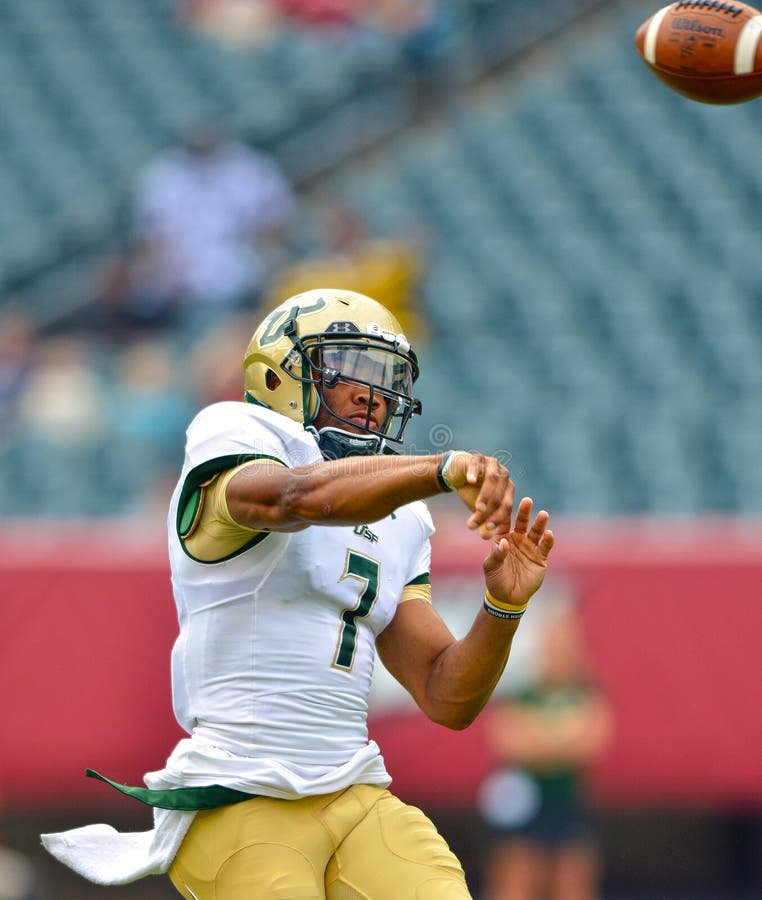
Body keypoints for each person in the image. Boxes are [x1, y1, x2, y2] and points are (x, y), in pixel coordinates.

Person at [42, 288, 555, 898]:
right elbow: (292, 498)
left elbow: (448, 696)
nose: (372, 393)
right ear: (283, 374)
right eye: (351, 370)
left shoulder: (404, 516)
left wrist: (503, 606)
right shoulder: (234, 428)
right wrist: (440, 467)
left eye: (386, 376)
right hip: (239, 790)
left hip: (353, 792)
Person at [477, 601, 613, 900]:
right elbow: (510, 741)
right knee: (514, 882)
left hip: (568, 804)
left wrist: (539, 737)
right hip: (522, 805)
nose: (557, 652)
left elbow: (592, 741)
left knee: (572, 882)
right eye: (551, 643)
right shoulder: (520, 692)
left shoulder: (587, 691)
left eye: (564, 644)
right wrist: (562, 736)